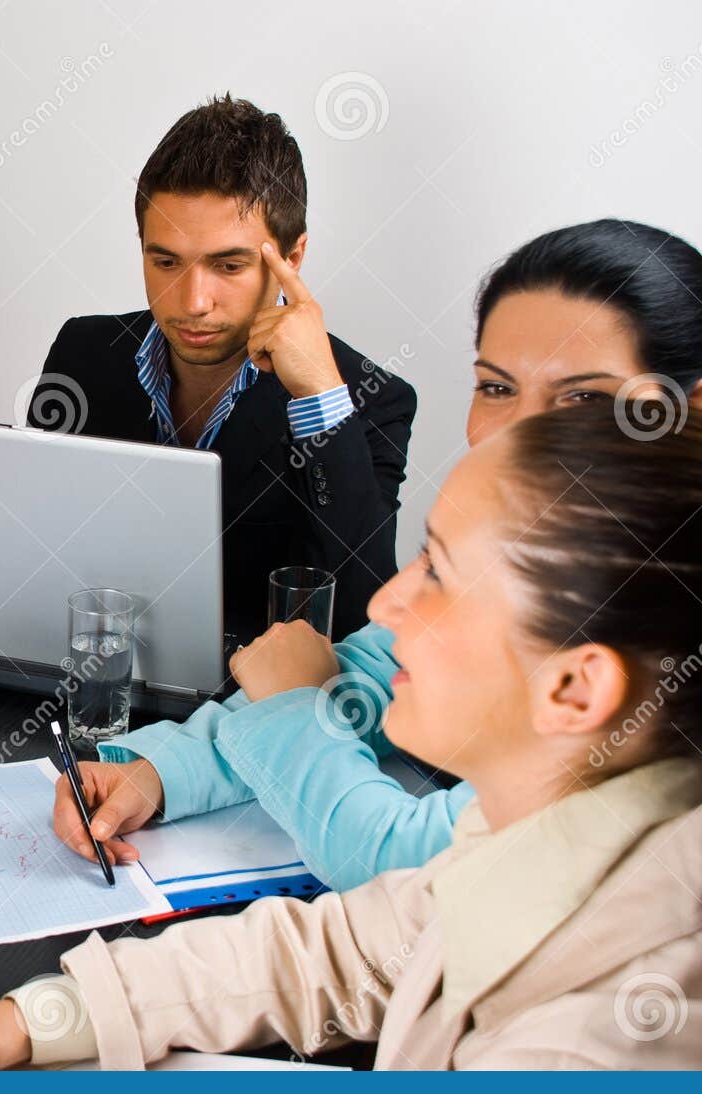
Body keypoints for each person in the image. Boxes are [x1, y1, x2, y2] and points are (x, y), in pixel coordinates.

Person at [0, 402, 702, 1070]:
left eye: (439, 573)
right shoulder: (545, 835)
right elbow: (340, 952)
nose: (386, 603)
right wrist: (32, 1019)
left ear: (575, 687)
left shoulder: (596, 1049)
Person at [56, 219, 702, 890]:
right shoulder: (525, 542)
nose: (520, 433)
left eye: (587, 398)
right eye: (498, 387)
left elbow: (411, 865)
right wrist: (160, 768)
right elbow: (368, 670)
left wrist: (295, 706)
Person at [24, 95, 416, 641]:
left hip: (250, 708)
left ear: (292, 259)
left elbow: (360, 616)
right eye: (165, 262)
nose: (193, 301)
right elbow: (33, 544)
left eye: (228, 265)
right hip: (93, 676)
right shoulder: (84, 351)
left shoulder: (366, 397)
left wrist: (320, 397)